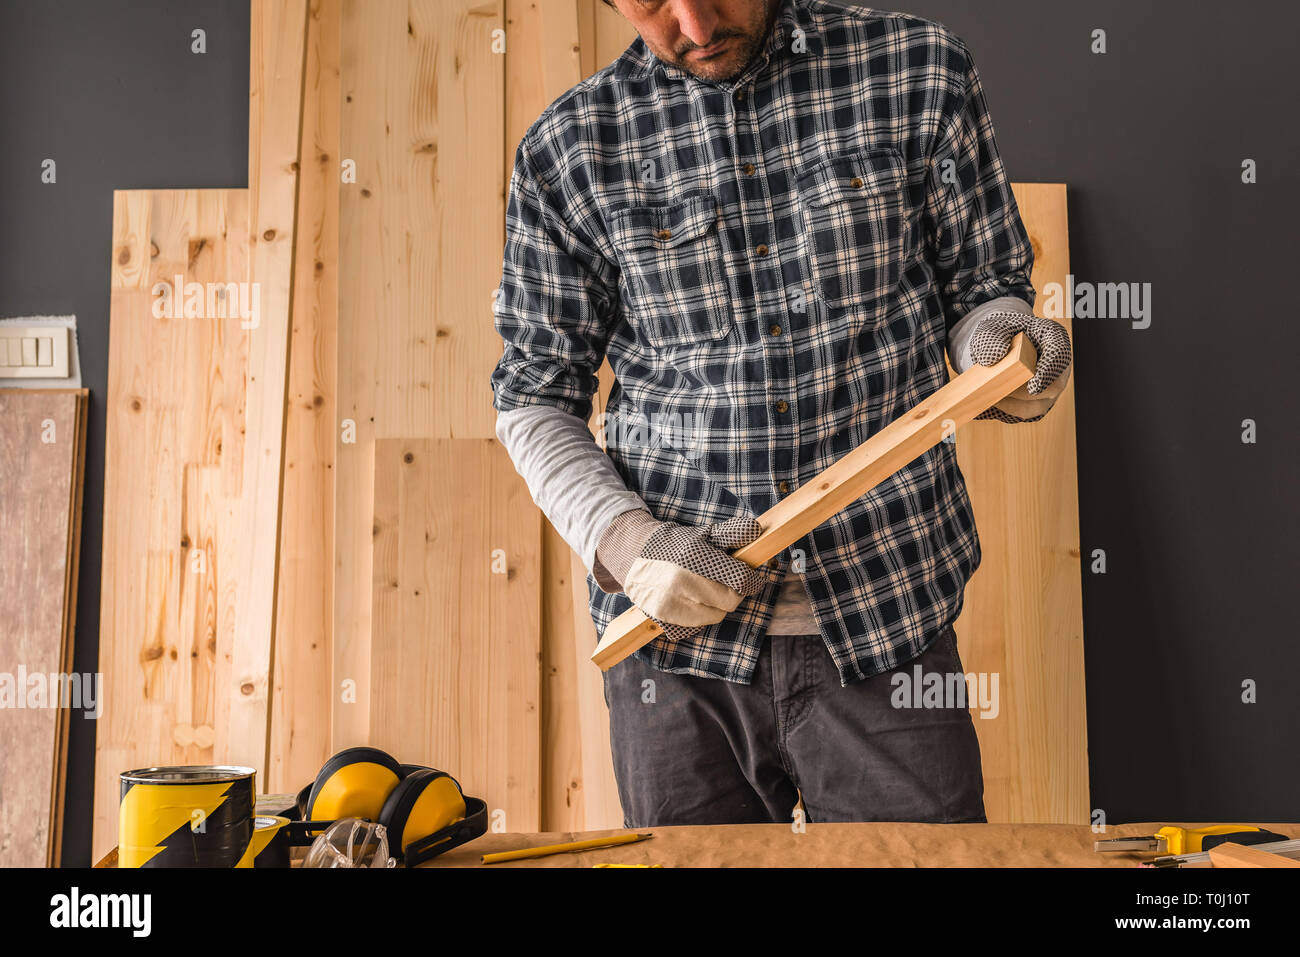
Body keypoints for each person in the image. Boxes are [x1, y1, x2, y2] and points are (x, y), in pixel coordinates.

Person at [490, 0, 1072, 827]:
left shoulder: (915, 70)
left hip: (889, 619)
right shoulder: (571, 150)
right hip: (679, 658)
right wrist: (627, 542)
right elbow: (534, 397)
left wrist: (1003, 348)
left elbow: (983, 288)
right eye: (652, 2)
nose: (693, 25)